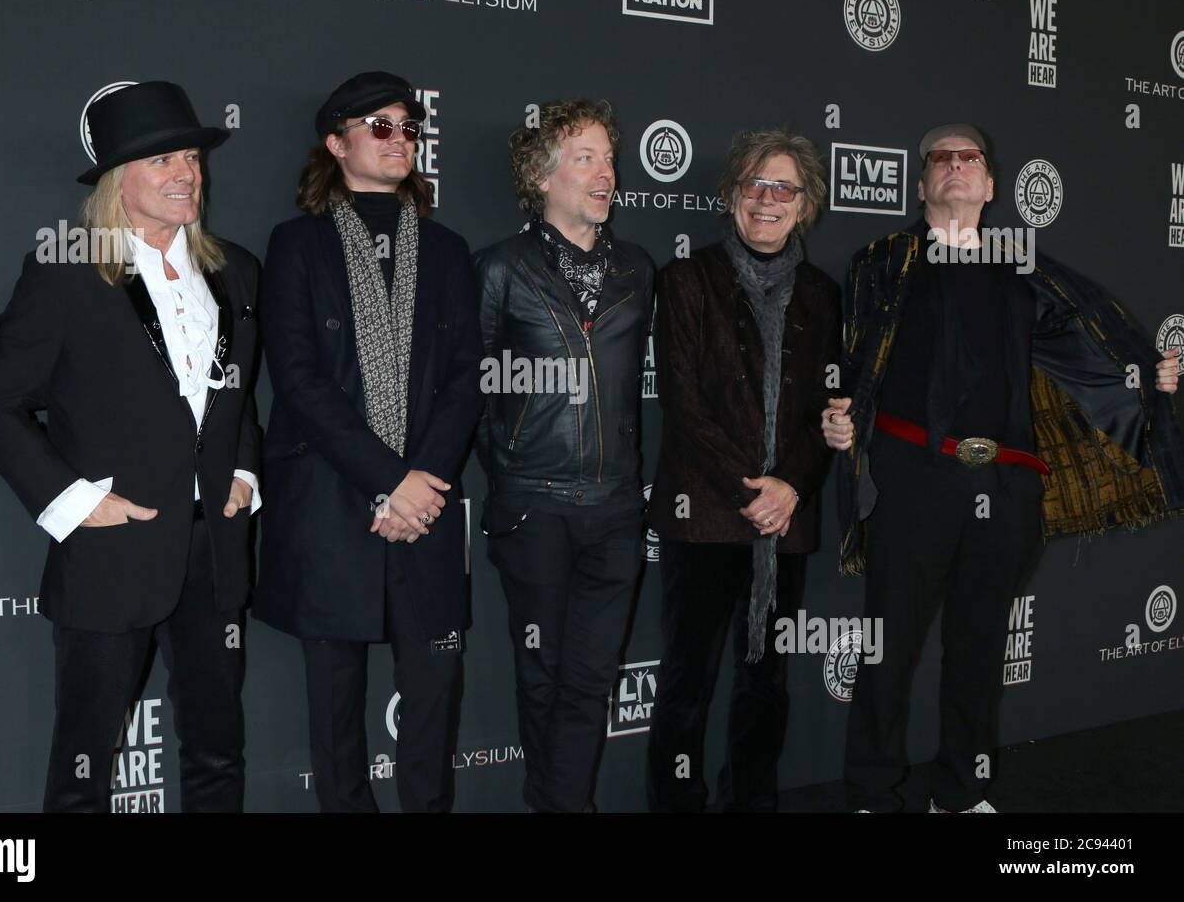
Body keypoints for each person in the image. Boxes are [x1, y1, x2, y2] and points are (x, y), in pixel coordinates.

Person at [823, 122, 1184, 813]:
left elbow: (1093, 345)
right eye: (941, 158)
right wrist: (839, 418)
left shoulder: (1026, 268)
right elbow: (849, 362)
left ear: (990, 186)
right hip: (912, 475)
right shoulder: (882, 262)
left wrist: (1146, 372)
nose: (955, 166)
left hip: (1008, 482)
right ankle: (872, 793)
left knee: (981, 649)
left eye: (970, 158)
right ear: (923, 182)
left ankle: (960, 793)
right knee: (887, 648)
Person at [0, 81, 262, 812]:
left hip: (214, 556)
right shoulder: (68, 269)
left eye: (190, 156)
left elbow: (236, 393)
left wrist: (246, 471)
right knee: (82, 773)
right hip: (111, 556)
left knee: (218, 754)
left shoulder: (236, 272)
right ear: (116, 179)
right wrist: (73, 503)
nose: (185, 173)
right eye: (162, 160)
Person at [253, 71, 482, 812]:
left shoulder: (448, 251)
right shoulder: (296, 246)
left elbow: (464, 381)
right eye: (380, 126)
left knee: (431, 709)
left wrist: (421, 485)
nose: (400, 138)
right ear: (336, 141)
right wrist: (391, 480)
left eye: (408, 126)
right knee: (336, 716)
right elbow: (299, 382)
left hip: (427, 507)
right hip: (331, 503)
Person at [646, 129, 840, 811]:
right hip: (702, 514)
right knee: (686, 683)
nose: (767, 199)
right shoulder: (686, 279)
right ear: (730, 198)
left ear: (805, 204)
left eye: (783, 187)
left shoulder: (823, 294)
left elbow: (827, 409)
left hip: (784, 520)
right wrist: (750, 490)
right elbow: (683, 400)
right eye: (754, 184)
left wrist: (790, 487)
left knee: (767, 685)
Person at [474, 99, 655, 812]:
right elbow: (474, 390)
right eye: (586, 158)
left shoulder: (638, 269)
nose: (606, 173)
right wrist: (514, 469)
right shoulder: (499, 268)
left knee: (589, 680)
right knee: (542, 675)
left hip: (615, 511)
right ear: (541, 177)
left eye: (610, 158)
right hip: (534, 511)